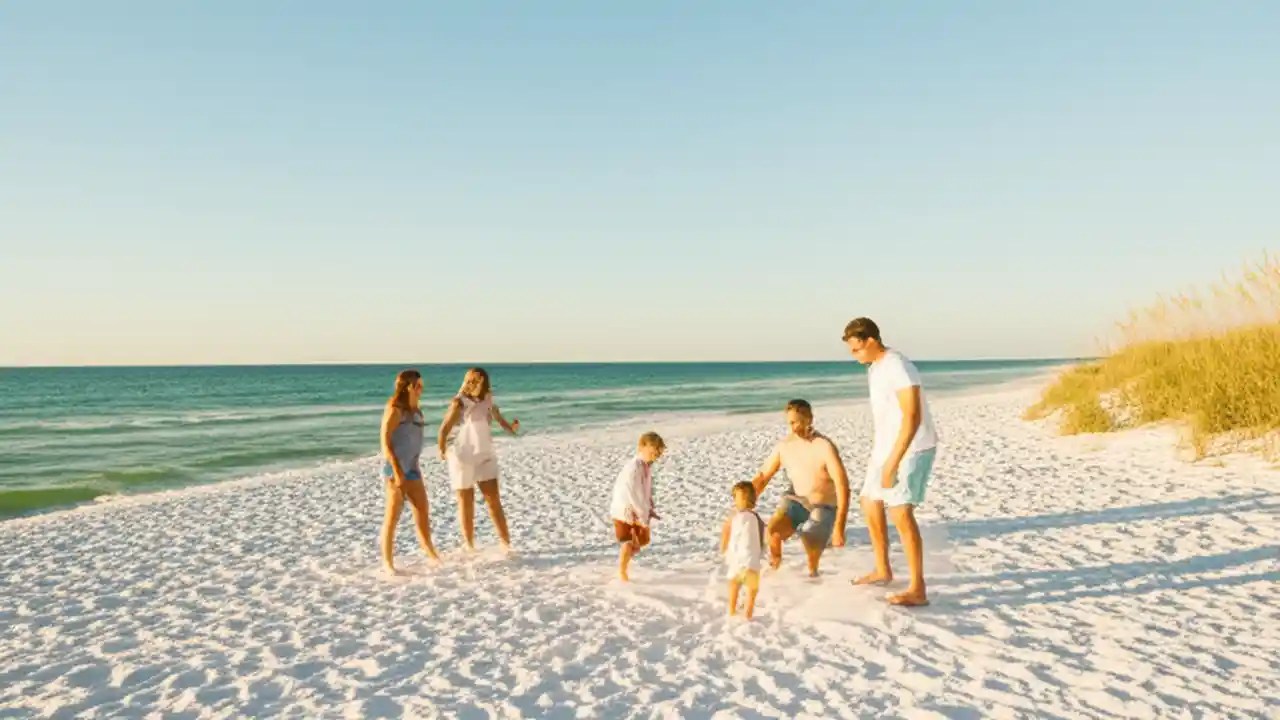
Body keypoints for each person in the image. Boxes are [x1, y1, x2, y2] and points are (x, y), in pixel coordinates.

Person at [843, 317, 939, 607]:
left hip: (912, 447)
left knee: (900, 513)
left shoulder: (898, 365)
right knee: (869, 502)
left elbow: (912, 416)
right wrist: (881, 457)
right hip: (885, 448)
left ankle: (917, 588)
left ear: (870, 341)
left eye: (856, 349)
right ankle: (883, 569)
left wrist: (893, 463)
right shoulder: (875, 368)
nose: (854, 356)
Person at [749, 399, 850, 577]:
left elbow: (843, 486)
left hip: (824, 505)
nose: (793, 427)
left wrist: (839, 527)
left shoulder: (824, 446)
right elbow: (763, 477)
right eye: (790, 423)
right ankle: (775, 570)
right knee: (772, 532)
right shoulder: (784, 446)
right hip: (796, 501)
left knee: (810, 536)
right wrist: (746, 504)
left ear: (809, 419)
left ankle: (812, 574)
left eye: (797, 422)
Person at [437, 367, 520, 552]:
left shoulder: (488, 399)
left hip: (485, 454)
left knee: (493, 500)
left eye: (483, 380)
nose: (481, 383)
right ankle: (469, 545)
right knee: (466, 501)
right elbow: (444, 429)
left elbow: (498, 418)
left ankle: (506, 544)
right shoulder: (459, 403)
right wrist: (442, 450)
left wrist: (511, 428)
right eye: (476, 379)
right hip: (462, 456)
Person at [379, 369, 441, 574]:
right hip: (395, 469)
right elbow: (385, 442)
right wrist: (397, 471)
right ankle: (388, 563)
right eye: (418, 385)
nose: (422, 388)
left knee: (422, 511)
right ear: (408, 387)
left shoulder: (417, 411)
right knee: (393, 516)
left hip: (413, 469)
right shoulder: (395, 409)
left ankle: (431, 552)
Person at [608, 432, 666, 582]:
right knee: (628, 541)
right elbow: (634, 493)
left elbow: (644, 490)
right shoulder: (635, 467)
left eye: (658, 453)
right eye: (653, 452)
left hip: (634, 508)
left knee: (642, 540)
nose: (655, 456)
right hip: (625, 510)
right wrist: (642, 516)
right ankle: (622, 571)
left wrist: (650, 507)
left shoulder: (644, 466)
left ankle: (624, 562)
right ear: (642, 447)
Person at [720, 481, 766, 620]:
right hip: (752, 563)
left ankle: (732, 610)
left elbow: (729, 534)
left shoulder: (736, 517)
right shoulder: (758, 519)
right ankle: (748, 614)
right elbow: (762, 539)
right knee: (751, 592)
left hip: (737, 562)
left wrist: (724, 549)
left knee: (734, 586)